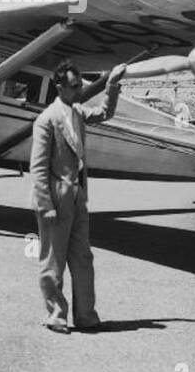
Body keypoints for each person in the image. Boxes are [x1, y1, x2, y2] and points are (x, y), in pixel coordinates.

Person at [30, 59, 126, 333]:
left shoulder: (78, 111)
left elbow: (105, 112)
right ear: (58, 86)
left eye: (78, 85)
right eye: (72, 86)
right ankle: (56, 316)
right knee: (53, 261)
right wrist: (46, 205)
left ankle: (86, 316)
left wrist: (113, 85)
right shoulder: (46, 120)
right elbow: (37, 168)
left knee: (83, 258)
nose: (77, 90)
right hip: (56, 199)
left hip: (78, 196)